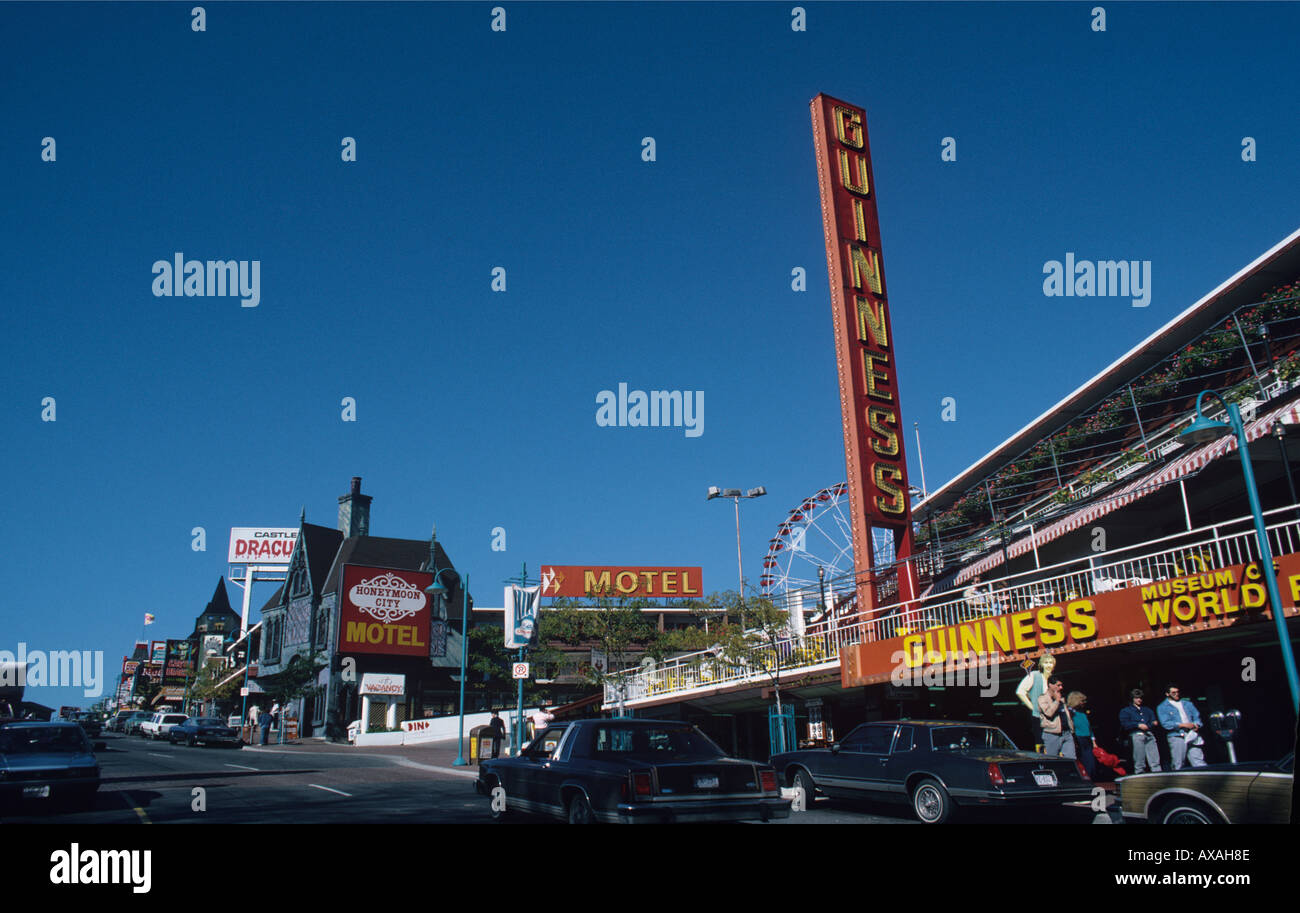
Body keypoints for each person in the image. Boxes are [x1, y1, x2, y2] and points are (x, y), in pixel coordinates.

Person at [1156, 684, 1206, 769]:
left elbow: (1197, 716)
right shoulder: (1162, 707)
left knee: (1198, 760)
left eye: (1177, 692)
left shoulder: (1187, 703)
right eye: (1173, 693)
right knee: (1178, 763)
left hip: (1192, 734)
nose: (1176, 694)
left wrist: (1196, 724)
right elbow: (1166, 724)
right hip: (1177, 735)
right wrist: (1182, 725)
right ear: (1167, 694)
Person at [1015, 653, 1056, 749]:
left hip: (1053, 716)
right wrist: (1032, 707)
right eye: (1046, 662)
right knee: (1042, 743)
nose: (1048, 665)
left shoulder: (1053, 679)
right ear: (1041, 664)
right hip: (1039, 717)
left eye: (1051, 663)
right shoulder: (1034, 675)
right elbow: (1020, 691)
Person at [1118, 688, 1161, 773]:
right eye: (1137, 698)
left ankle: (1156, 772)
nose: (1139, 699)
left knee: (1154, 756)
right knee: (1139, 757)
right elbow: (1125, 724)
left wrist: (1148, 725)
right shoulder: (1126, 711)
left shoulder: (1147, 710)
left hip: (1149, 733)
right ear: (1132, 699)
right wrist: (1137, 725)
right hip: (1136, 734)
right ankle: (1140, 772)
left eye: (1141, 698)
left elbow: (1154, 722)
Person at [1037, 676, 1076, 759]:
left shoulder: (1062, 698)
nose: (1061, 687)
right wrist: (1057, 701)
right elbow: (1048, 713)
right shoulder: (1042, 698)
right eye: (1058, 685)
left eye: (1061, 685)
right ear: (1050, 685)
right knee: (1053, 759)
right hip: (1052, 734)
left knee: (1071, 758)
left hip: (1067, 733)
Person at [1067, 691, 1097, 779]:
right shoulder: (1070, 712)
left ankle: (1089, 777)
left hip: (1087, 738)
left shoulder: (1082, 713)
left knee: (1090, 762)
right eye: (1082, 701)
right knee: (1082, 761)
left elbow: (1089, 727)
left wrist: (1093, 741)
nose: (1084, 703)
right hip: (1078, 738)